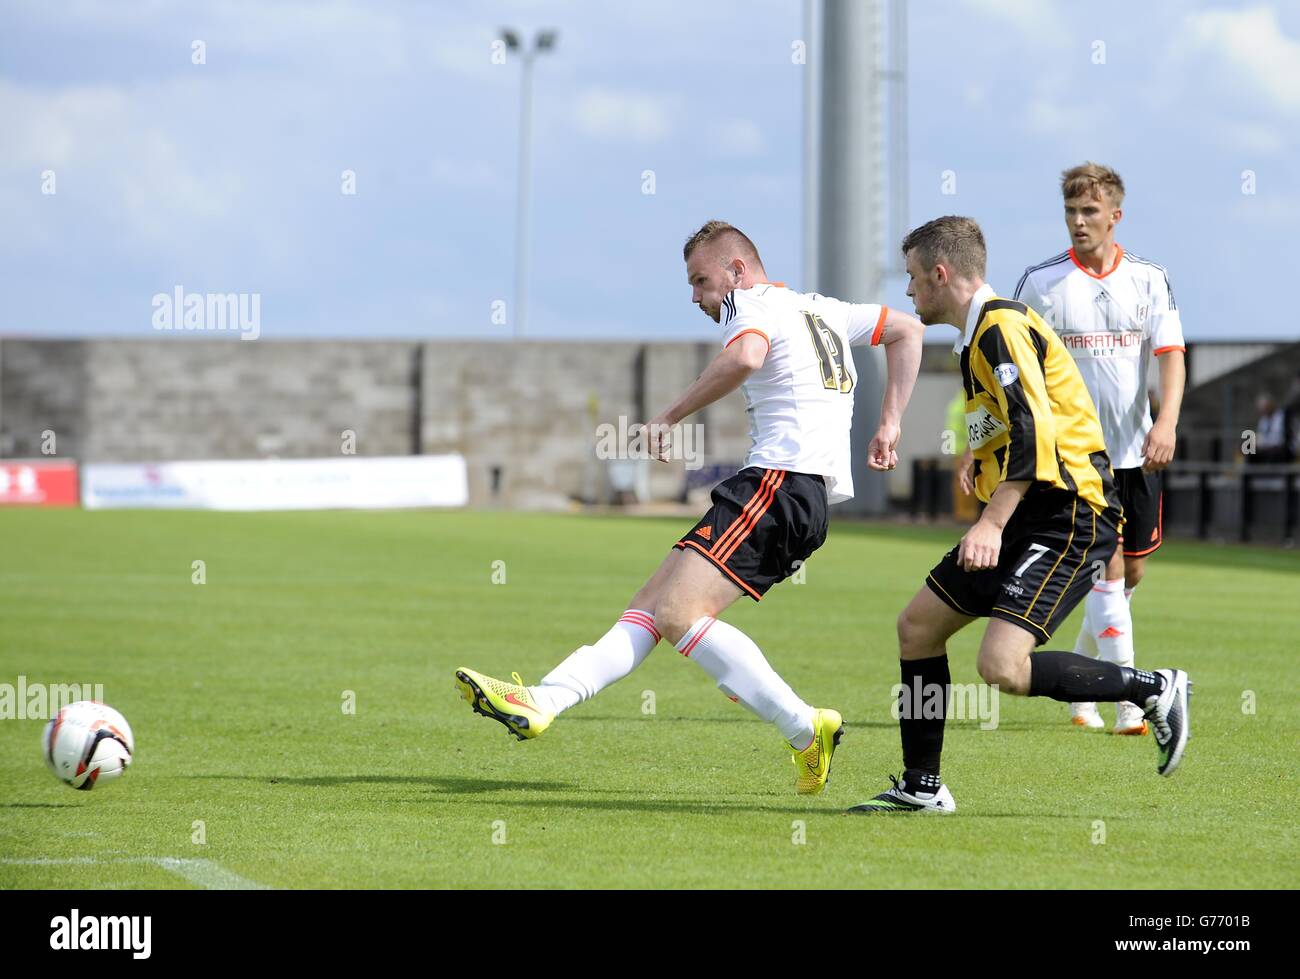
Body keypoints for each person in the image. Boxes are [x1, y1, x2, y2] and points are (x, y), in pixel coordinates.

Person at [455, 220, 925, 795]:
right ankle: (542, 702)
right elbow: (906, 329)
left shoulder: (747, 303)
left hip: (778, 484)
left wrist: (669, 416)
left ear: (737, 270)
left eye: (701, 281)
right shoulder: (819, 309)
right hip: (795, 493)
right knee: (652, 607)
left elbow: (748, 356)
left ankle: (804, 726)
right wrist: (891, 421)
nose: (698, 297)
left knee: (679, 615)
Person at [849, 216, 1191, 815]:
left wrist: (989, 522)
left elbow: (1033, 432)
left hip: (1068, 513)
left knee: (1000, 666)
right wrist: (978, 462)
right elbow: (1010, 425)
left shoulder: (1000, 328)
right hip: (1028, 508)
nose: (906, 292)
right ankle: (922, 787)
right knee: (917, 628)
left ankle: (1154, 689)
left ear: (940, 273)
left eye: (910, 278)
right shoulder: (979, 334)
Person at [1013, 163, 1186, 735]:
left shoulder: (1149, 278)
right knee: (1108, 574)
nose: (1078, 222)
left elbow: (1171, 355)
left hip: (1136, 452)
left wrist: (1167, 422)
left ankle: (1081, 697)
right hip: (1075, 460)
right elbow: (1013, 365)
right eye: (1070, 211)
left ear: (1115, 215)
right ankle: (1136, 703)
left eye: (1089, 212)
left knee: (1128, 575)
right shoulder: (1040, 284)